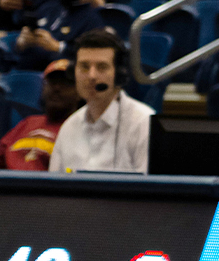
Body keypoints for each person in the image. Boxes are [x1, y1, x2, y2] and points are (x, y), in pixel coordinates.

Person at [48, 30, 152, 173]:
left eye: (102, 67)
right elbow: (54, 189)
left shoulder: (143, 123)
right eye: (84, 67)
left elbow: (150, 191)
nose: (92, 76)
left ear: (119, 74)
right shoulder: (69, 127)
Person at [14, 0, 112, 72]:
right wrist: (22, 42)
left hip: (62, 79)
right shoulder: (48, 8)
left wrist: (58, 47)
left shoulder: (93, 22)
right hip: (28, 71)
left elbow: (90, 60)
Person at [0, 68, 80, 171]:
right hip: (10, 184)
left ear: (79, 92)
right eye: (52, 83)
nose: (56, 88)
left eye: (65, 83)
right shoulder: (28, 123)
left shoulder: (80, 129)